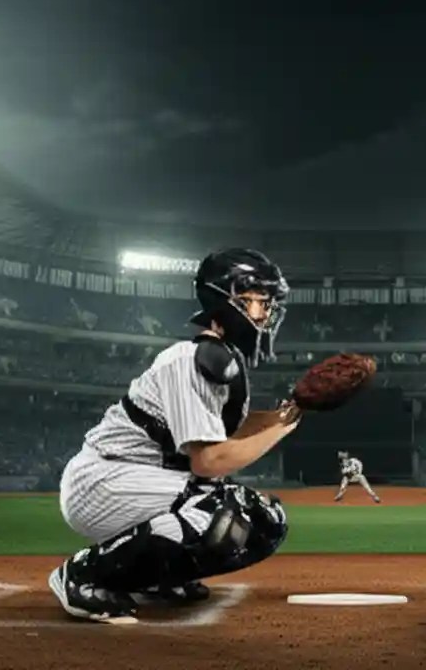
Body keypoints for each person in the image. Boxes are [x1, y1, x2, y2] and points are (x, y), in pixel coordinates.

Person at [48, 248, 301, 623]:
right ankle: (83, 575)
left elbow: (225, 433)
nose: (265, 314)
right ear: (227, 301)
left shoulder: (219, 359)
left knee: (264, 520)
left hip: (140, 479)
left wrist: (289, 413)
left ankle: (156, 577)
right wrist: (281, 428)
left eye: (267, 303)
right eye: (258, 302)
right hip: (102, 481)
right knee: (217, 511)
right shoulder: (189, 361)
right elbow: (209, 461)